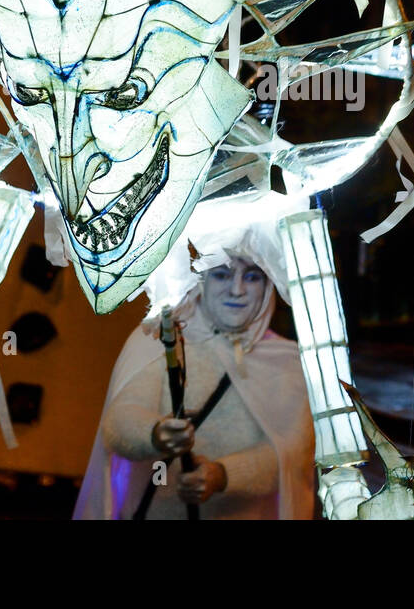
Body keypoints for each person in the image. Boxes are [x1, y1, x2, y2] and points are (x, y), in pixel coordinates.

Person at [74, 217, 316, 520]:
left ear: (269, 286)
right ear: (201, 279)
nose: (237, 290)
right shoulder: (160, 339)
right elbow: (121, 419)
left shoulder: (288, 362)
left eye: (253, 277)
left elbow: (293, 452)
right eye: (222, 275)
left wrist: (222, 475)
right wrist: (156, 433)